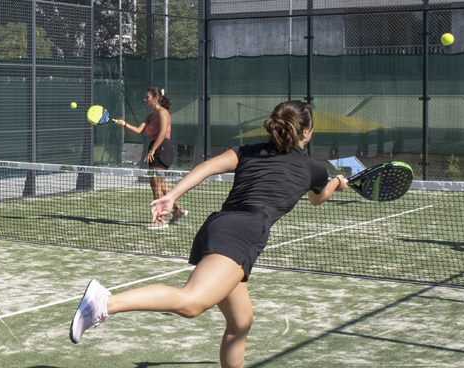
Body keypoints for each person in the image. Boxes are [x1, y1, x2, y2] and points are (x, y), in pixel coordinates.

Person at [70, 101, 348, 368]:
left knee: (241, 322)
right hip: (245, 232)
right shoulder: (314, 169)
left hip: (220, 224)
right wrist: (337, 182)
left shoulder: (248, 151)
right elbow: (317, 198)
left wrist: (173, 196)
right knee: (192, 303)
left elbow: (206, 167)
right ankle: (105, 302)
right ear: (306, 132)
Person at [116, 87, 186, 229]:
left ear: (155, 98)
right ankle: (178, 210)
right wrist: (124, 124)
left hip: (162, 148)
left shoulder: (163, 112)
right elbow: (138, 131)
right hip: (155, 148)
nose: (144, 99)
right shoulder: (149, 117)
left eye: (147, 97)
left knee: (155, 185)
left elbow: (161, 133)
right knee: (159, 184)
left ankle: (160, 220)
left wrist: (153, 150)